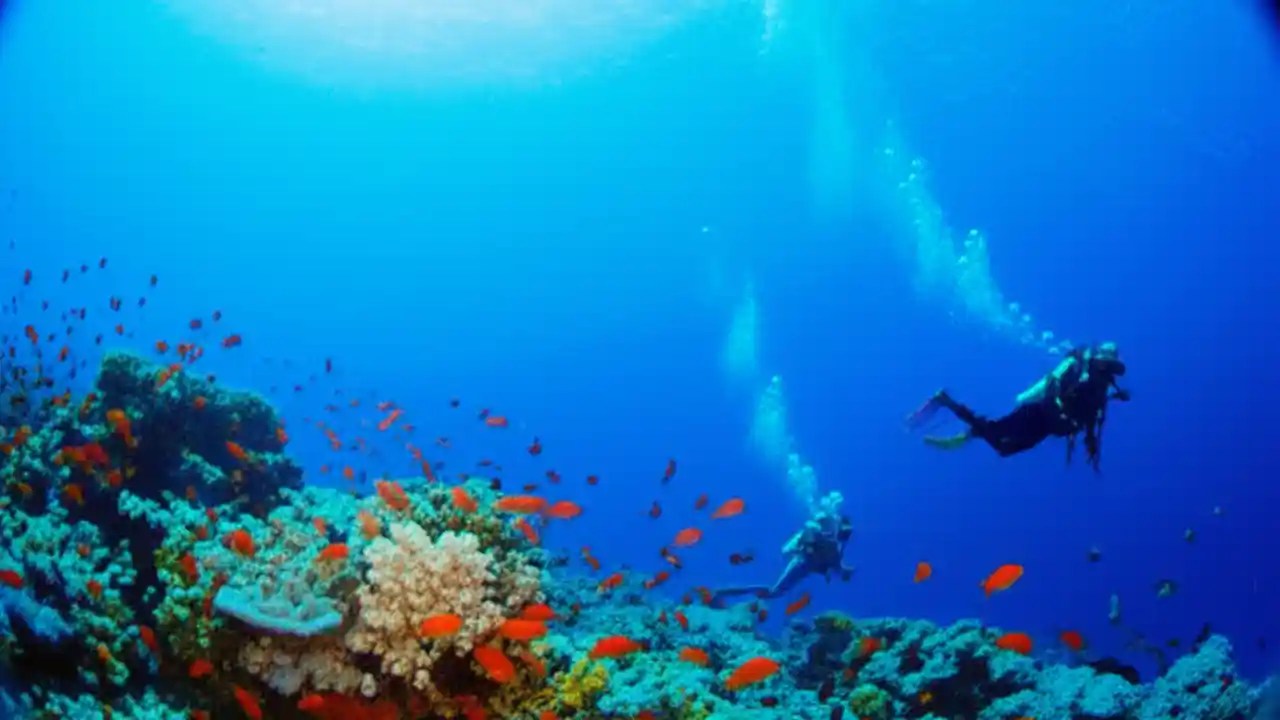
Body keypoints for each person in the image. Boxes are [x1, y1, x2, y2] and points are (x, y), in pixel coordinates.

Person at [906, 342, 1130, 470]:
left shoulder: (1101, 394)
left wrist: (1090, 442)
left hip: (1048, 427)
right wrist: (1059, 406)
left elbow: (1093, 421)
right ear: (1095, 360)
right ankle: (945, 401)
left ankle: (972, 431)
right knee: (996, 430)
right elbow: (1053, 381)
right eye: (1103, 364)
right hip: (1037, 412)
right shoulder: (1075, 366)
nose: (1105, 371)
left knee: (1005, 449)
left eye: (1112, 368)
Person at [713, 498, 854, 603]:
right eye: (844, 533)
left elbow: (837, 566)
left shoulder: (837, 546)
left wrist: (845, 571)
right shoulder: (819, 532)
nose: (844, 536)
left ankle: (726, 593)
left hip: (806, 567)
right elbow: (808, 544)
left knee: (774, 593)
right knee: (774, 592)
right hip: (801, 563)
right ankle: (726, 592)